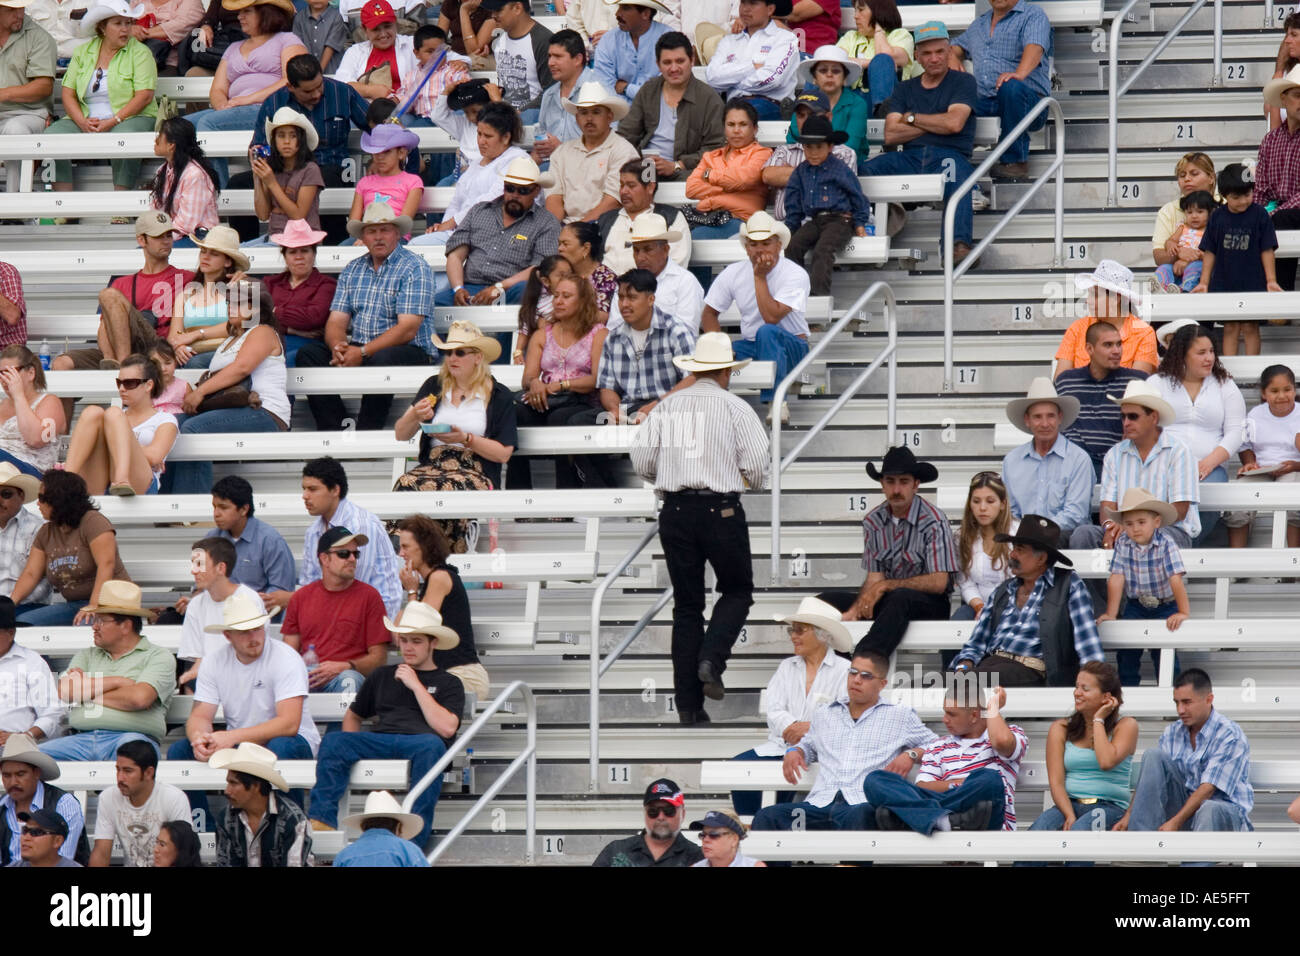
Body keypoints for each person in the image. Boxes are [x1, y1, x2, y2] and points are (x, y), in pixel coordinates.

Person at [631, 333, 768, 722]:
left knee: (686, 607)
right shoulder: (736, 408)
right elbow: (758, 470)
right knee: (737, 590)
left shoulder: (666, 408)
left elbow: (641, 461)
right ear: (726, 370)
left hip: (675, 509)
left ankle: (689, 707)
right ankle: (712, 658)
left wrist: (673, 472)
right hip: (720, 509)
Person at [308, 601, 464, 846]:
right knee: (335, 740)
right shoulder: (382, 675)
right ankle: (322, 820)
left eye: (417, 641)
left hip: (421, 743)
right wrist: (355, 752)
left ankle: (414, 840)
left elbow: (447, 728)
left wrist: (416, 685)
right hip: (381, 740)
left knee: (433, 746)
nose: (408, 648)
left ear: (433, 643)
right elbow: (353, 715)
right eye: (404, 640)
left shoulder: (449, 682)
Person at [170, 590, 319, 823]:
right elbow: (199, 715)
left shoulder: (286, 658)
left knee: (283, 746)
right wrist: (199, 738)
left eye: (258, 627)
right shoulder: (214, 661)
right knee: (180, 751)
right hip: (242, 742)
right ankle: (202, 831)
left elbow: (289, 724)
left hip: (289, 740)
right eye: (244, 631)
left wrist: (230, 737)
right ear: (228, 635)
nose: (254, 636)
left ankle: (290, 828)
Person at [752, 648, 938, 833]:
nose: (857, 680)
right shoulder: (825, 713)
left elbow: (938, 746)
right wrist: (795, 751)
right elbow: (809, 744)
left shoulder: (899, 715)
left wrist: (911, 754)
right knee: (767, 818)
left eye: (866, 676)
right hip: (819, 806)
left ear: (882, 684)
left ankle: (849, 864)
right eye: (853, 672)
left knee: (862, 815)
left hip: (861, 804)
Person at [296, 202, 433, 432]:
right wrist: (338, 346)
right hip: (363, 347)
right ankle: (336, 429)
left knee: (383, 358)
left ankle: (369, 433)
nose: (378, 237)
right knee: (308, 354)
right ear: (363, 237)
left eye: (385, 230)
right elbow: (336, 320)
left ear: (397, 234)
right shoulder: (353, 268)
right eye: (371, 231)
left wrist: (361, 352)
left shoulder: (415, 267)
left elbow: (407, 329)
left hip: (408, 348)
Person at [816, 447, 957, 653]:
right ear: (882, 484)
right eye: (890, 481)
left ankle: (868, 660)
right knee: (823, 603)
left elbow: (939, 582)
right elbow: (875, 577)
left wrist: (886, 586)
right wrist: (855, 609)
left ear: (916, 484)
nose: (897, 490)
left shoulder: (933, 521)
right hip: (889, 602)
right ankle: (837, 672)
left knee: (899, 596)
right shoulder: (873, 521)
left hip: (931, 604)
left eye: (904, 482)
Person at [393, 322, 517, 552]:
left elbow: (503, 453)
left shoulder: (498, 395)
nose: (452, 358)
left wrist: (465, 439)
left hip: (475, 468)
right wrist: (414, 416)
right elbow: (401, 433)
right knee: (406, 483)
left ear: (478, 357)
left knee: (447, 486)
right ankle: (405, 555)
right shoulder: (434, 386)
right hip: (433, 464)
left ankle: (437, 555)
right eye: (448, 352)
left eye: (459, 352)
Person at [862, 20, 978, 264]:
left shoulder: (963, 81)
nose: (934, 58)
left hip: (948, 155)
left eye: (939, 51)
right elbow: (891, 134)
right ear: (917, 57)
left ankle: (957, 245)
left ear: (949, 52)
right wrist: (937, 124)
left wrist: (913, 119)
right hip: (910, 157)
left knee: (958, 172)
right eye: (926, 53)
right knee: (865, 169)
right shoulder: (905, 89)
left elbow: (954, 124)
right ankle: (863, 234)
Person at [730, 596, 851, 817]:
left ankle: (774, 824)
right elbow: (774, 709)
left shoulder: (845, 670)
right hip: (780, 745)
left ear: (822, 634)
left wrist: (809, 729)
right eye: (792, 631)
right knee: (739, 766)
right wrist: (793, 726)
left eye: (800, 630)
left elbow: (845, 716)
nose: (793, 636)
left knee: (792, 772)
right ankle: (750, 826)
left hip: (822, 751)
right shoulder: (787, 667)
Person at [951, 515, 1103, 687]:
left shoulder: (1069, 586)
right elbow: (976, 643)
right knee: (932, 684)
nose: (1012, 554)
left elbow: (1088, 646)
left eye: (1020, 549)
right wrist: (963, 667)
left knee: (962, 684)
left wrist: (1091, 684)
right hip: (991, 667)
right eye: (1013, 547)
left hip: (1033, 671)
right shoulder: (1003, 590)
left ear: (1041, 558)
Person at [241, 53, 372, 244]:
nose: (317, 94)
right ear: (290, 87)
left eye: (320, 86)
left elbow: (375, 124)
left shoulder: (342, 92)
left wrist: (381, 152)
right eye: (308, 91)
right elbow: (258, 146)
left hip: (332, 168)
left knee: (318, 177)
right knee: (238, 183)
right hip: (284, 169)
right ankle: (248, 254)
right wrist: (261, 165)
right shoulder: (274, 102)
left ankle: (331, 246)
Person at [41, 581, 176, 760]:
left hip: (133, 739)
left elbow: (139, 698)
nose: (94, 626)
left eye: (101, 621)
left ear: (125, 626)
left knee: (131, 756)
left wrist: (86, 692)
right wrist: (118, 682)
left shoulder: (158, 656)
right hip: (80, 740)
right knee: (28, 760)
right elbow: (65, 692)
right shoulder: (87, 655)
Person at [867, 683, 1026, 834]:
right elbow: (924, 787)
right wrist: (962, 784)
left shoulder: (1012, 733)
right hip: (954, 817)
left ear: (974, 716)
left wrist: (992, 708)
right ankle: (943, 820)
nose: (944, 719)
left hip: (988, 820)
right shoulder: (938, 745)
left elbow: (1002, 742)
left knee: (990, 779)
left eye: (951, 714)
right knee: (875, 780)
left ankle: (929, 816)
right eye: (945, 712)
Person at [1116, 669, 1253, 841]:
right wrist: (1129, 815)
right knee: (1153, 756)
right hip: (1183, 813)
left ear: (1208, 699)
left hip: (1223, 816)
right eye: (1177, 702)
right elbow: (1150, 780)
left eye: (1187, 702)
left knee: (1209, 808)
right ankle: (1141, 847)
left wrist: (1176, 822)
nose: (1180, 710)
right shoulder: (1172, 732)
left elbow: (1208, 789)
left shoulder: (1229, 734)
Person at [1069, 379, 1201, 553]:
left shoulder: (1179, 452)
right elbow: (1107, 508)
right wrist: (1111, 527)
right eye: (1123, 416)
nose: (1125, 423)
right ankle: (1105, 581)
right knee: (1083, 535)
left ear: (1153, 417)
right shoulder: (1114, 454)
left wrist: (1139, 527)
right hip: (1126, 528)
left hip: (1167, 529)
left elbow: (1179, 511)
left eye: (1133, 416)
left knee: (1159, 537)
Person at [52, 213, 193, 376]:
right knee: (62, 364)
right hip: (121, 348)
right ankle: (120, 366)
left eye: (169, 235)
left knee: (109, 295)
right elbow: (103, 331)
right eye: (158, 236)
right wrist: (108, 355)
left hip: (158, 349)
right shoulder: (122, 283)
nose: (166, 241)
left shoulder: (187, 278)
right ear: (141, 240)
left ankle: (123, 369)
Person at [186, 0, 307, 187]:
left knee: (208, 123)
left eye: (247, 11)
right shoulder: (233, 48)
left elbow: (291, 80)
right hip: (234, 108)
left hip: (270, 108)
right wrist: (222, 105)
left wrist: (247, 100)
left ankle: (219, 194)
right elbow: (218, 89)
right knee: (180, 127)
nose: (239, 16)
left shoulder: (288, 40)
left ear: (266, 13)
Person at [44, 0, 158, 195]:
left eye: (128, 23)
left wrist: (114, 120)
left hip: (131, 116)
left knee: (124, 136)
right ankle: (63, 206)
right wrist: (81, 122)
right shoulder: (82, 52)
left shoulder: (141, 53)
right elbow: (68, 93)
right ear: (102, 27)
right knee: (51, 137)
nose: (125, 29)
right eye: (118, 23)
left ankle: (120, 204)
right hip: (87, 118)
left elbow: (144, 96)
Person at [699, 212, 808, 414]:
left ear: (779, 245)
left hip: (792, 346)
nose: (759, 250)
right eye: (753, 244)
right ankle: (716, 410)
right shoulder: (734, 272)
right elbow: (708, 314)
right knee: (711, 358)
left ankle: (776, 404)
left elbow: (772, 317)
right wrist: (719, 346)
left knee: (767, 331)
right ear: (746, 248)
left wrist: (759, 277)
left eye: (766, 243)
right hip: (752, 346)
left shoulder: (795, 274)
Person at [510, 275, 608, 489]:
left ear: (582, 301)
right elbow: (528, 376)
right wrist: (535, 383)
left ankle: (565, 492)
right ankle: (518, 495)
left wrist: (562, 385)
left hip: (580, 400)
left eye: (566, 296)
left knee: (560, 418)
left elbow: (596, 379)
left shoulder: (598, 334)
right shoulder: (542, 334)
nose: (559, 301)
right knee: (514, 415)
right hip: (545, 398)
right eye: (556, 296)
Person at [1150, 323, 1242, 544]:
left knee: (1210, 490)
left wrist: (1209, 462)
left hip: (1209, 468)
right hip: (1163, 465)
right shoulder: (1156, 383)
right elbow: (1145, 427)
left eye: (1211, 351)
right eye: (1201, 353)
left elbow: (1236, 432)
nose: (1209, 358)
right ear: (1182, 354)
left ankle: (1180, 552)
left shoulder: (1225, 385)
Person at [1024, 662, 1137, 840]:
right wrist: (1069, 814)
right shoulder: (1060, 728)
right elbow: (1056, 782)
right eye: (1077, 687)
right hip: (1068, 805)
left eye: (1085, 689)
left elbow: (1106, 762)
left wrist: (1098, 719)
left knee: (1080, 834)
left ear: (1106, 697)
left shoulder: (1126, 725)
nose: (1077, 693)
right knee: (1037, 833)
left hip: (1109, 807)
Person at [282, 456, 404, 617]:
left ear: (335, 490)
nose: (304, 496)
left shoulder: (361, 525)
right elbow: (310, 584)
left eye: (312, 489)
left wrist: (291, 598)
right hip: (335, 614)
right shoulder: (313, 531)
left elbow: (356, 588)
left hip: (375, 618)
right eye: (304, 489)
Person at [10, 470, 131, 627]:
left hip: (111, 603)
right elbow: (31, 574)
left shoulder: (93, 521)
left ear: (58, 500)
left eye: (41, 498)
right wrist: (9, 605)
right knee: (23, 624)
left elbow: (106, 564)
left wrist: (94, 605)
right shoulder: (46, 531)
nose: (38, 504)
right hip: (75, 605)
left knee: (85, 624)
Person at [948, 0, 1051, 182]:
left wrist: (1018, 74)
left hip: (1028, 101)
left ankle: (1015, 162)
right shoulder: (979, 24)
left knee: (1010, 86)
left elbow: (1035, 47)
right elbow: (957, 45)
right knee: (955, 101)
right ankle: (955, 166)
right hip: (986, 100)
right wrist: (953, 56)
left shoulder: (1032, 14)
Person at [1096, 488, 1190, 686]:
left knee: (1164, 653)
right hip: (1136, 605)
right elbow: (1117, 577)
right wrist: (1111, 613)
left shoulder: (1166, 543)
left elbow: (1175, 578)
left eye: (1141, 522)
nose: (1135, 529)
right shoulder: (1123, 542)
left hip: (1165, 605)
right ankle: (1127, 693)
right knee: (1127, 651)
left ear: (1156, 522)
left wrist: (1182, 611)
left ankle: (1171, 694)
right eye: (1129, 524)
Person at [281, 527, 391, 695]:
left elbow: (379, 659)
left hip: (347, 674)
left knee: (349, 680)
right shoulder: (301, 597)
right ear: (324, 559)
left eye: (356, 554)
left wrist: (346, 666)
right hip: (309, 674)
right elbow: (288, 654)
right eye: (344, 554)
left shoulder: (370, 597)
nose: (352, 559)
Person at [441, 157, 562, 308]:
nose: (515, 195)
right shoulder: (479, 211)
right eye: (510, 188)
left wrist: (500, 287)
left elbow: (540, 267)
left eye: (523, 190)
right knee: (430, 304)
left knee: (525, 289)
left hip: (511, 290)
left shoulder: (546, 222)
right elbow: (455, 254)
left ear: (536, 191)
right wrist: (458, 288)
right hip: (470, 287)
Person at [1192, 162, 1282, 357]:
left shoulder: (1260, 215)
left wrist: (1271, 280)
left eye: (1248, 195)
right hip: (1225, 281)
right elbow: (1210, 251)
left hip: (1253, 281)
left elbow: (1267, 249)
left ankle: (1252, 370)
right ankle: (1229, 375)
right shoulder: (1217, 217)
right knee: (1230, 327)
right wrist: (1204, 282)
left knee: (1251, 327)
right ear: (1224, 196)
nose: (1243, 201)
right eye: (1236, 197)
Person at [395, 515, 489, 697]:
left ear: (424, 547)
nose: (401, 553)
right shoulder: (435, 579)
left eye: (405, 546)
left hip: (461, 674)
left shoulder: (439, 578)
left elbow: (416, 628)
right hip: (446, 674)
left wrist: (411, 591)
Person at [413, 101, 527, 245]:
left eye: (488, 136)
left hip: (493, 236)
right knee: (418, 246)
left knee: (418, 247)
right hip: (459, 234)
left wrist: (451, 223)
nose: (481, 141)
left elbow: (491, 200)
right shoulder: (476, 163)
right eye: (479, 134)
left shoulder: (518, 159)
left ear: (505, 137)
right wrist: (443, 229)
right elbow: (456, 201)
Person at [617, 30, 724, 183]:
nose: (674, 68)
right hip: (647, 168)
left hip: (688, 171)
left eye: (680, 61)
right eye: (667, 63)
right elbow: (627, 134)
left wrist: (676, 165)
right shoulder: (649, 90)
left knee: (703, 177)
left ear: (692, 60)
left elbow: (716, 148)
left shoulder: (709, 98)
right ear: (658, 65)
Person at [782, 115, 871, 296]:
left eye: (819, 147)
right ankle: (797, 292)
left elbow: (857, 195)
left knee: (822, 251)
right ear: (803, 147)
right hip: (815, 220)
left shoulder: (839, 169)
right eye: (809, 147)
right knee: (792, 247)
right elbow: (793, 200)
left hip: (840, 220)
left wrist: (860, 222)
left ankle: (818, 297)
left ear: (830, 147)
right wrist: (791, 227)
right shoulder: (801, 171)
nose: (813, 152)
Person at [64, 353, 177, 497]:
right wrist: (122, 446)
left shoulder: (164, 419)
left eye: (129, 383)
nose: (122, 388)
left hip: (141, 483)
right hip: (103, 479)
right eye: (119, 383)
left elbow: (155, 456)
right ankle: (65, 479)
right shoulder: (115, 417)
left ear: (148, 385)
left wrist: (116, 444)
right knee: (92, 412)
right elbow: (150, 456)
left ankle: (122, 479)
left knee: (113, 414)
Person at [1001, 377, 1093, 539]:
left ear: (1059, 417)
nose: (1045, 424)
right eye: (1037, 417)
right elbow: (1010, 511)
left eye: (1050, 416)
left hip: (1063, 536)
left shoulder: (1079, 459)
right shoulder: (1012, 461)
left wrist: (1037, 530)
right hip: (1024, 538)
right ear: (1027, 420)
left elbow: (1076, 515)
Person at [1055, 321, 1148, 479]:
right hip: (1073, 464)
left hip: (1120, 463)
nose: (1116, 351)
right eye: (1108, 345)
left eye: (1119, 344)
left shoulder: (1136, 381)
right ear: (1089, 349)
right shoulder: (1066, 381)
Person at [1223, 364, 1300, 550]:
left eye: (1287, 389)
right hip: (1262, 468)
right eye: (1274, 391)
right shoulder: (1256, 414)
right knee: (1238, 503)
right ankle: (1236, 565)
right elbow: (1245, 445)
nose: (1281, 396)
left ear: (1294, 390)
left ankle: (1290, 567)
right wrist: (1249, 463)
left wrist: (1296, 466)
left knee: (1291, 502)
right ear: (1264, 393)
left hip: (1293, 467)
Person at [542, 80, 640, 223]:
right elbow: (553, 198)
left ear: (609, 117)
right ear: (576, 118)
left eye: (596, 112)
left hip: (606, 226)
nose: (589, 118)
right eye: (583, 112)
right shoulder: (562, 152)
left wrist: (577, 230)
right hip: (565, 228)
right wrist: (556, 232)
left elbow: (612, 202)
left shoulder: (624, 151)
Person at [762, 89, 859, 226]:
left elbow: (839, 188)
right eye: (801, 115)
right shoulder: (785, 150)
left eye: (812, 114)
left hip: (827, 225)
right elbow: (768, 176)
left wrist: (789, 173)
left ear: (829, 117)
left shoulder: (844, 153)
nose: (806, 120)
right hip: (785, 226)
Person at [178, 537, 265, 689]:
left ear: (221, 568)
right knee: (189, 683)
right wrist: (192, 675)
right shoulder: (196, 605)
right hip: (211, 675)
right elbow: (199, 658)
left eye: (200, 565)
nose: (193, 571)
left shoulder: (248, 598)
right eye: (193, 564)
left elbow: (254, 651)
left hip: (246, 674)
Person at [88, 740, 191, 867]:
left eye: (127, 771)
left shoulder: (174, 798)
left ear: (148, 773)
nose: (120, 778)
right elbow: (101, 853)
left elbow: (184, 854)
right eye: (118, 769)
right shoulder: (109, 797)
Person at [211, 742, 313, 866]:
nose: (227, 790)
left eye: (234, 783)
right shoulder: (226, 817)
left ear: (256, 786)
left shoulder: (293, 819)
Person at [683, 100, 770, 240]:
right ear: (724, 128)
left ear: (754, 129)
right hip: (705, 217)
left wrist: (710, 176)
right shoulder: (711, 156)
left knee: (693, 239)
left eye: (743, 124)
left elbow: (743, 180)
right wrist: (728, 187)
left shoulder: (762, 154)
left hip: (741, 220)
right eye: (731, 125)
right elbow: (691, 188)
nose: (736, 130)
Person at [1054, 260, 1157, 377]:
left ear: (1116, 298)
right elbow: (1060, 382)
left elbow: (1137, 385)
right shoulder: (1077, 329)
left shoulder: (1144, 333)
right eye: (1090, 294)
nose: (1088, 301)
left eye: (1095, 295)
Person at [205, 475, 297, 601]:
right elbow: (201, 585)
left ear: (244, 509)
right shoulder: (211, 539)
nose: (216, 514)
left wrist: (250, 604)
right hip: (217, 613)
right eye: (214, 507)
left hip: (259, 615)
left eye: (223, 507)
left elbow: (280, 591)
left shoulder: (270, 540)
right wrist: (193, 601)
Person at [606, 211, 701, 331]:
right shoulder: (625, 283)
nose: (640, 257)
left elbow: (687, 332)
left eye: (647, 249)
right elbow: (614, 329)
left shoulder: (685, 282)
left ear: (666, 249)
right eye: (636, 250)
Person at [703, 0, 798, 121]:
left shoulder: (785, 38)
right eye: (743, 3)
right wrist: (753, 67)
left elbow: (772, 79)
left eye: (753, 3)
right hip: (734, 107)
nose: (745, 9)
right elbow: (712, 78)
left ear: (770, 10)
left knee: (737, 117)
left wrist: (732, 83)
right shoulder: (729, 40)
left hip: (769, 106)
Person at [0, 734, 86, 865]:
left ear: (36, 773)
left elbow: (59, 861)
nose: (13, 782)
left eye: (20, 774)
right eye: (6, 775)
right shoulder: (1, 806)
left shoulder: (64, 803)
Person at [599, 160, 692, 277]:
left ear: (650, 187)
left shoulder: (671, 218)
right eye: (622, 185)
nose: (623, 191)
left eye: (631, 185)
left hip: (653, 290)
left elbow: (676, 267)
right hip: (607, 290)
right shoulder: (606, 220)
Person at [264, 219, 336, 365]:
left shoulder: (326, 284)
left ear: (314, 254)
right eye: (292, 252)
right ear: (285, 257)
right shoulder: (270, 282)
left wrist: (273, 311)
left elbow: (313, 318)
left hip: (306, 346)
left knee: (280, 361)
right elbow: (254, 316)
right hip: (267, 341)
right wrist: (292, 329)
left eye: (304, 250)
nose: (298, 257)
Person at [248, 106, 323, 241]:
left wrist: (271, 183)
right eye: (281, 135)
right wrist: (257, 177)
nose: (287, 141)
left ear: (301, 140)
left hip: (303, 239)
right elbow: (263, 215)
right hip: (274, 237)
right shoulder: (272, 170)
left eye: (293, 136)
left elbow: (299, 216)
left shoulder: (310, 169)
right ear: (274, 140)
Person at [592, 778, 704, 866]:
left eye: (668, 811)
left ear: (682, 814)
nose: (661, 817)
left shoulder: (698, 858)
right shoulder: (616, 852)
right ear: (645, 813)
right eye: (653, 811)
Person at [953, 471, 1017, 622]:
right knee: (959, 619)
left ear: (1002, 504)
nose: (982, 508)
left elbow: (1020, 583)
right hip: (976, 606)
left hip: (1012, 605)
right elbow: (965, 582)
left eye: (990, 501)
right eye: (976, 501)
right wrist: (980, 607)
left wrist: (994, 610)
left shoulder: (1017, 533)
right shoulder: (961, 537)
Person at [1257, 67, 1300, 292]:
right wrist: (1255, 213)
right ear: (1284, 99)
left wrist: (1268, 215)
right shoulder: (1270, 140)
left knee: (1282, 219)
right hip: (1280, 211)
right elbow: (1261, 189)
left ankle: (1280, 294)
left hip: (1288, 212)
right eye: (1297, 95)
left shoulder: (1271, 140)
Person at [0, 0, 56, 168]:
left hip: (29, 114)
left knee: (15, 129)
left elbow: (44, 86)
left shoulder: (39, 37)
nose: (19, 14)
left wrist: (3, 94)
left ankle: (16, 192)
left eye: (21, 8)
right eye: (11, 9)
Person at [791, 45, 869, 165]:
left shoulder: (857, 104)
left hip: (850, 168)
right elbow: (792, 141)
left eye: (836, 71)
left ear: (844, 78)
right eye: (823, 70)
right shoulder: (803, 102)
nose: (829, 75)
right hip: (805, 165)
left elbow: (851, 146)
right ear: (814, 78)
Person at [838, 0, 916, 117]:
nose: (855, 16)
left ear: (877, 11)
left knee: (882, 61)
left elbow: (885, 56)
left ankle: (882, 112)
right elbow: (836, 61)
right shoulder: (851, 36)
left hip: (890, 99)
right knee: (820, 64)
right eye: (855, 10)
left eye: (861, 10)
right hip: (851, 97)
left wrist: (878, 30)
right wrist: (870, 63)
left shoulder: (901, 35)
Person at [148, 117, 220, 244]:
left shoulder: (195, 174)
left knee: (151, 254)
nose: (155, 140)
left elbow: (186, 224)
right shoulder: (162, 170)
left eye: (159, 135)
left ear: (171, 146)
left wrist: (161, 240)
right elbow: (155, 212)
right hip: (174, 234)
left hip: (199, 236)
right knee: (143, 252)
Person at [0, 346, 66, 479]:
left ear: (31, 373)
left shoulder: (50, 401)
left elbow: (36, 439)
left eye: (11, 372)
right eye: (1, 373)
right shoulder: (2, 404)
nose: (5, 379)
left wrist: (18, 395)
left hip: (31, 472)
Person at [479, 0, 552, 119]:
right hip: (505, 118)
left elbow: (551, 91)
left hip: (534, 119)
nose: (493, 15)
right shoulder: (500, 42)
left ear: (518, 8)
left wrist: (514, 115)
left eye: (498, 10)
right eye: (492, 11)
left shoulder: (543, 41)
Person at [0, 595, 60, 738]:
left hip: (13, 744)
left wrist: (24, 737)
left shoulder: (31, 662)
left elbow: (51, 713)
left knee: (13, 758)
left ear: (10, 633)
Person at [532, 28, 594, 165]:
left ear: (577, 59)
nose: (550, 63)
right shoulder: (549, 95)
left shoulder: (598, 90)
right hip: (552, 170)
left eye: (558, 57)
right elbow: (541, 145)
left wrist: (561, 149)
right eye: (549, 56)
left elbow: (607, 149)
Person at [348, 121, 423, 234]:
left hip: (396, 237)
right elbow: (353, 222)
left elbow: (403, 223)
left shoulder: (413, 182)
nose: (380, 157)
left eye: (386, 151)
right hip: (365, 236)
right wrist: (365, 237)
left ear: (401, 153)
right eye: (376, 152)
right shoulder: (364, 182)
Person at [592, 0, 669, 105]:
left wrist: (626, 88)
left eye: (626, 8)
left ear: (645, 14)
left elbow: (666, 91)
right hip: (619, 116)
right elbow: (605, 88)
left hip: (660, 115)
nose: (617, 14)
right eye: (619, 7)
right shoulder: (608, 40)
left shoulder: (669, 39)